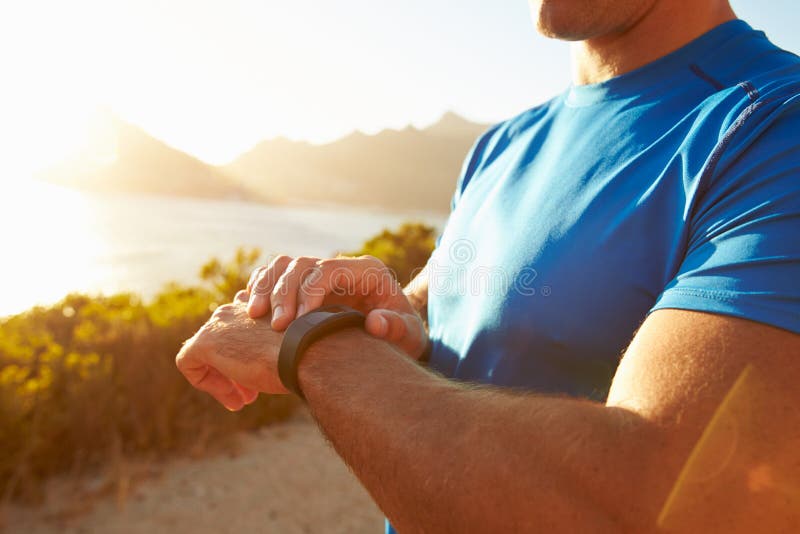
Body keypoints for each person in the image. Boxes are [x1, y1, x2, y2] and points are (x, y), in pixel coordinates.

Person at [176, 0, 800, 531]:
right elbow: (462, 314)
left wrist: (317, 348)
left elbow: (661, 503)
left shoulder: (775, 125)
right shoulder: (503, 144)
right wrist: (390, 314)